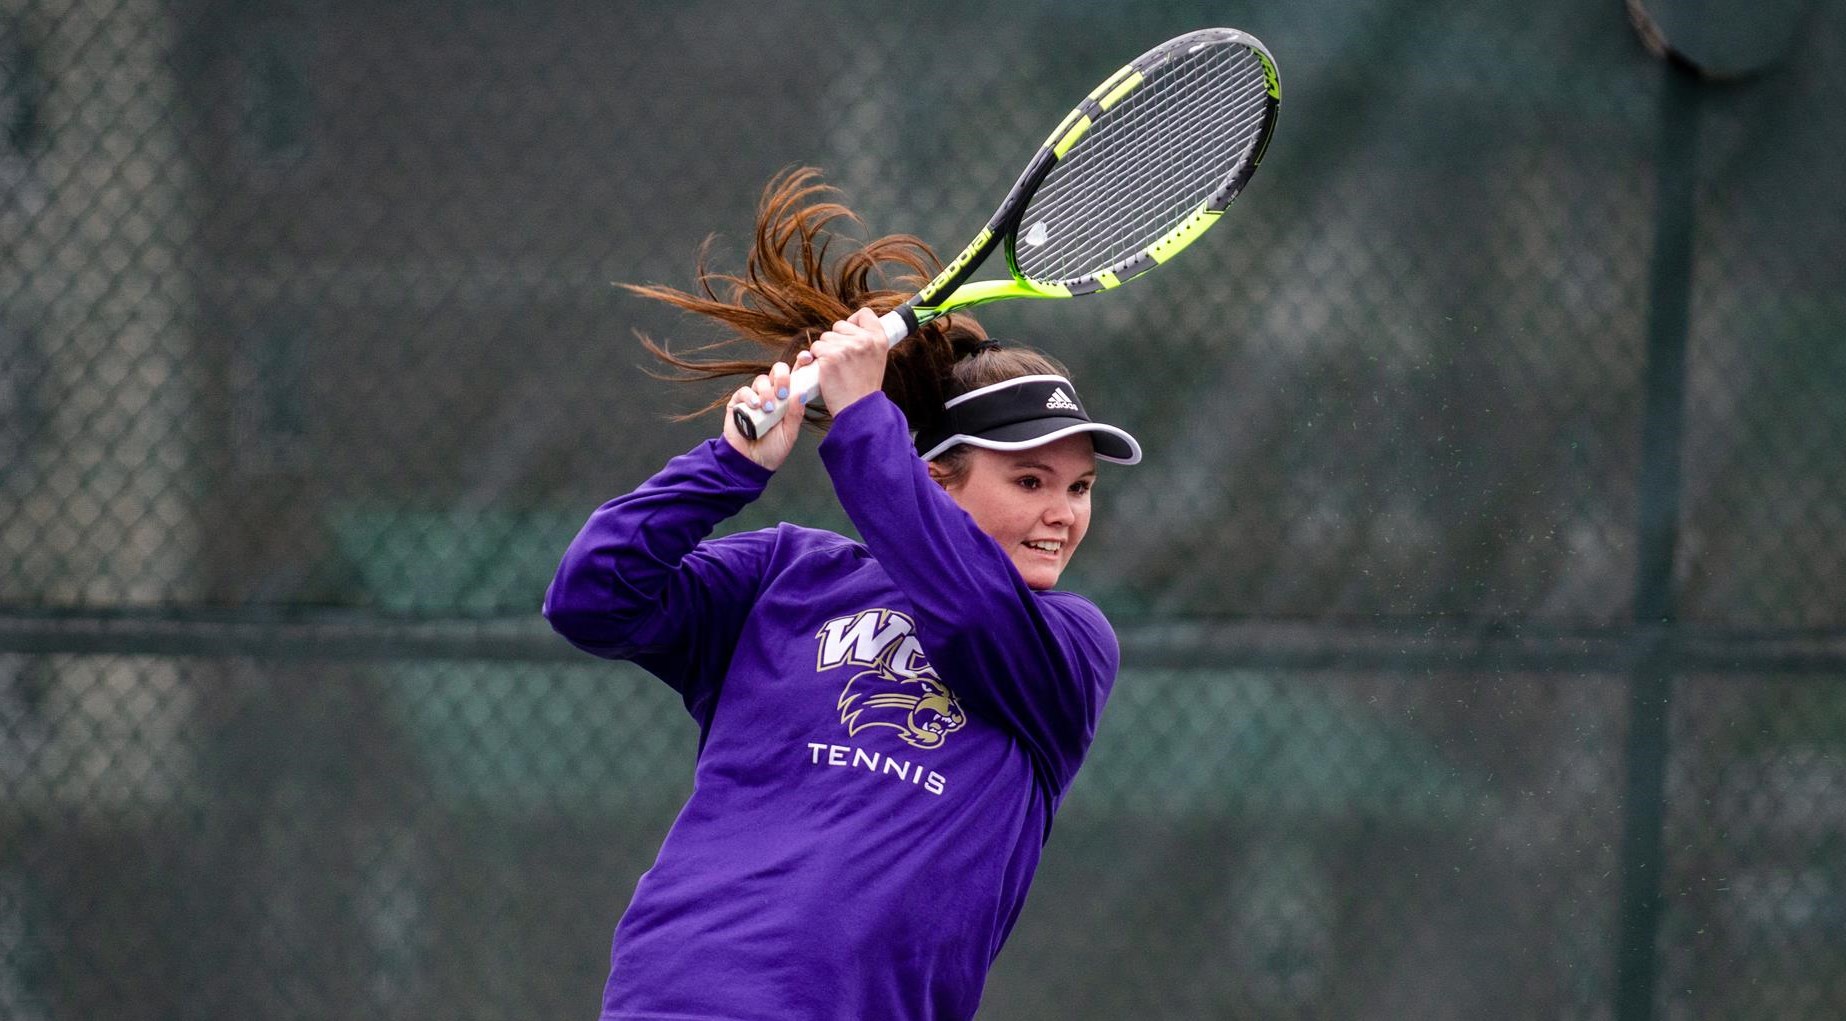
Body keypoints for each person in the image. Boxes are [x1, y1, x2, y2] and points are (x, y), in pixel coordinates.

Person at [544, 168, 1142, 1020]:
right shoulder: (786, 573)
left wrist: (864, 420)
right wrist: (729, 467)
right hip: (680, 989)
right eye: (1031, 480)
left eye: (1079, 487)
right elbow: (592, 597)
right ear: (936, 479)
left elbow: (969, 610)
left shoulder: (1070, 646)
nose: (1062, 513)